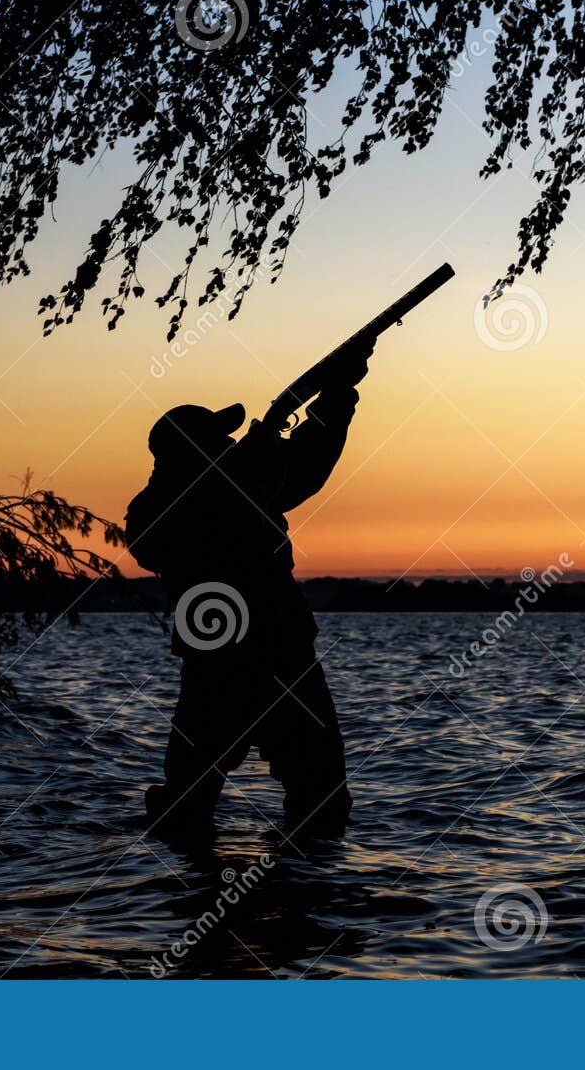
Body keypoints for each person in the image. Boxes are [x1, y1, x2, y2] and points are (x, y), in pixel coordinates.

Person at [126, 340, 374, 838]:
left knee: (321, 800)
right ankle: (195, 899)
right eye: (218, 439)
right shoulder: (157, 510)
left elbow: (305, 466)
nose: (229, 443)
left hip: (281, 656)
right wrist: (263, 444)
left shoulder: (249, 479)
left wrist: (337, 395)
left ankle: (301, 885)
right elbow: (208, 511)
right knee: (186, 811)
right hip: (223, 666)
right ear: (190, 454)